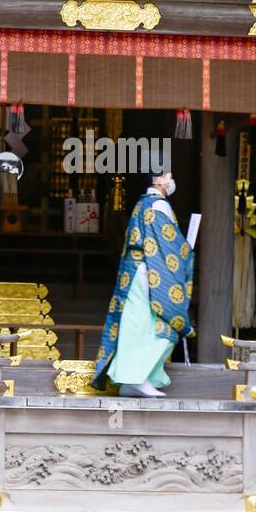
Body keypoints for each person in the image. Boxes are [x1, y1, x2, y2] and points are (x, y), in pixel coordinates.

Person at [92, 170, 194, 397]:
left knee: (133, 322)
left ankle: (133, 380)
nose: (171, 180)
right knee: (152, 325)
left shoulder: (141, 203)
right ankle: (137, 377)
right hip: (150, 270)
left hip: (135, 269)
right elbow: (172, 245)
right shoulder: (159, 206)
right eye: (169, 176)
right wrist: (187, 251)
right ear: (159, 181)